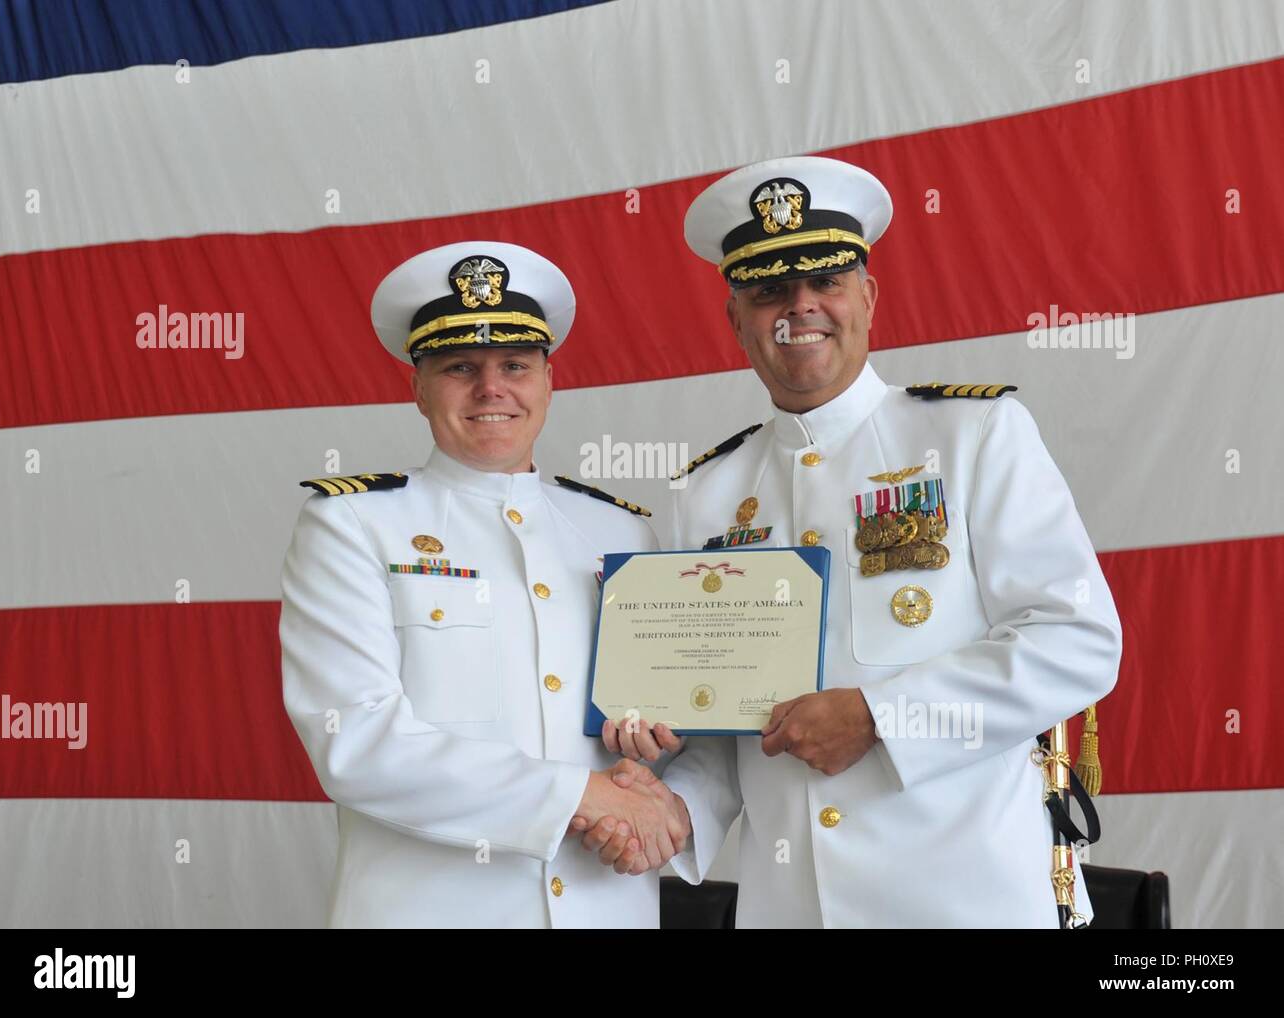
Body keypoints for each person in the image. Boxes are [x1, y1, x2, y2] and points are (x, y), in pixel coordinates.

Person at [582, 156, 1123, 928]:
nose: (799, 307)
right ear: (735, 317)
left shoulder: (972, 434)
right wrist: (673, 809)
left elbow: (1078, 642)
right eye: (768, 289)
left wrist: (878, 715)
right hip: (791, 907)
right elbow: (724, 741)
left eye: (825, 282)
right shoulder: (700, 496)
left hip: (966, 903)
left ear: (866, 296)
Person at [279, 240, 688, 928]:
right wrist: (584, 797)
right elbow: (358, 742)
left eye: (515, 366)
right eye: (460, 366)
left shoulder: (622, 534)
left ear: (549, 382)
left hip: (604, 904)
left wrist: (659, 767)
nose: (490, 389)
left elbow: (673, 726)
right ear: (417, 387)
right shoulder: (351, 524)